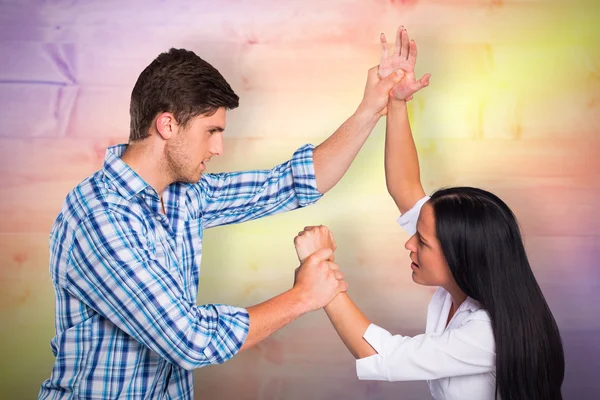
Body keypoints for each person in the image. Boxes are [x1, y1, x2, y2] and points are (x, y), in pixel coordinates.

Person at [38, 47, 407, 399]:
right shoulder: (100, 218)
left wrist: (371, 109)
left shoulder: (183, 194)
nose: (218, 149)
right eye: (211, 131)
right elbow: (189, 339)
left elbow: (291, 184)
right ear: (167, 124)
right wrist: (303, 296)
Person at [294, 26, 565, 400]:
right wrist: (396, 101)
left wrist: (320, 270)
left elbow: (381, 355)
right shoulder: (456, 292)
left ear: (461, 256)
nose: (409, 243)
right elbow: (405, 189)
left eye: (421, 241)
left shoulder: (486, 332)